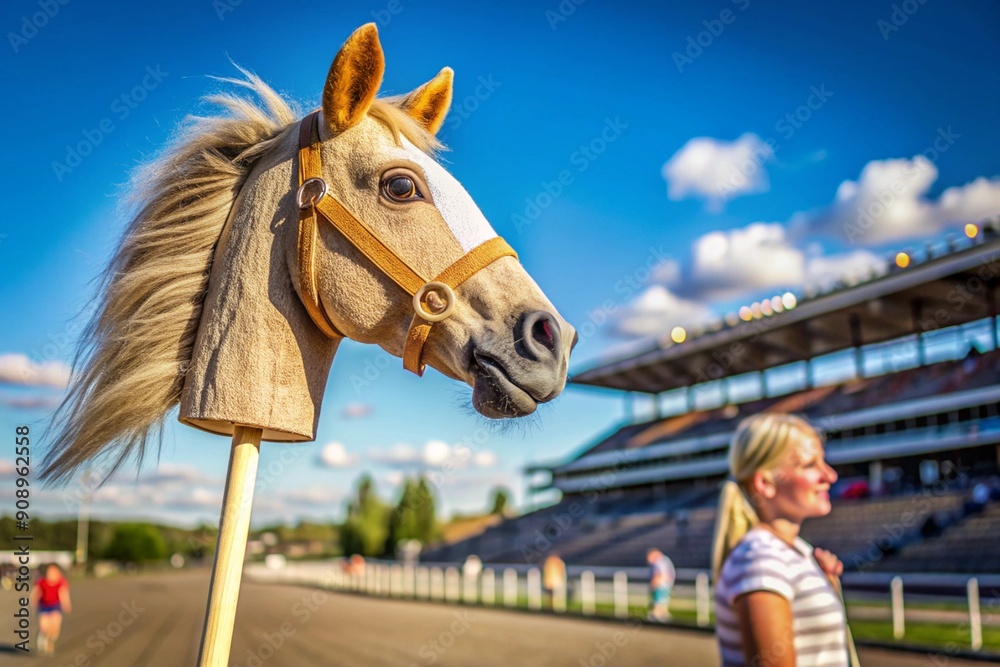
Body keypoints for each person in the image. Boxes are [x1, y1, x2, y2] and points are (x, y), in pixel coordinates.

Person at [711, 413, 858, 667]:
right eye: (810, 465)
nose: (830, 476)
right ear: (766, 483)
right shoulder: (761, 557)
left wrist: (827, 583)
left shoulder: (796, 550)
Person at [32, 563, 71, 656]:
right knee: (44, 626)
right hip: (44, 607)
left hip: (55, 606)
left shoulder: (61, 582)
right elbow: (36, 592)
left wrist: (66, 604)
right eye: (49, 572)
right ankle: (43, 638)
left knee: (54, 629)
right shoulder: (41, 582)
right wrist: (33, 601)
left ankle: (49, 642)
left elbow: (63, 593)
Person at [646, 548, 675, 622]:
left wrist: (652, 585)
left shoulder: (659, 562)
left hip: (661, 586)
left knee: (658, 606)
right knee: (663, 605)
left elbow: (659, 575)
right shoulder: (665, 560)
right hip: (666, 585)